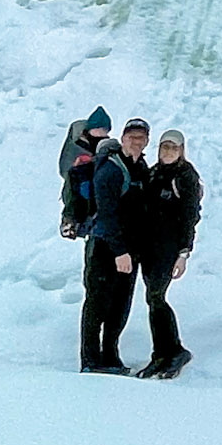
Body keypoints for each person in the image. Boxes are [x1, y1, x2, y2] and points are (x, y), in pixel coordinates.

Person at [79, 117, 149, 374]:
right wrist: (120, 251)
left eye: (141, 138)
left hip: (130, 251)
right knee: (97, 303)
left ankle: (110, 354)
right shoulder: (110, 169)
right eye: (132, 137)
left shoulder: (141, 168)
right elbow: (107, 214)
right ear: (122, 138)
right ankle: (90, 360)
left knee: (120, 306)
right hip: (105, 248)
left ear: (146, 141)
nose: (136, 141)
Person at [137, 128, 203, 379]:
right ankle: (162, 352)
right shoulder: (154, 173)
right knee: (152, 298)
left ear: (182, 151)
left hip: (169, 248)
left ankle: (174, 350)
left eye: (174, 148)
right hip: (149, 247)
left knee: (156, 295)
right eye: (165, 147)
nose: (168, 151)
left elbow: (190, 216)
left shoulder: (185, 176)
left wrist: (184, 253)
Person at [58, 107, 110, 239]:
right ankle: (70, 220)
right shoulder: (77, 146)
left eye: (105, 131)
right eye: (99, 130)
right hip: (82, 188)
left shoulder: (102, 146)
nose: (101, 134)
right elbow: (67, 169)